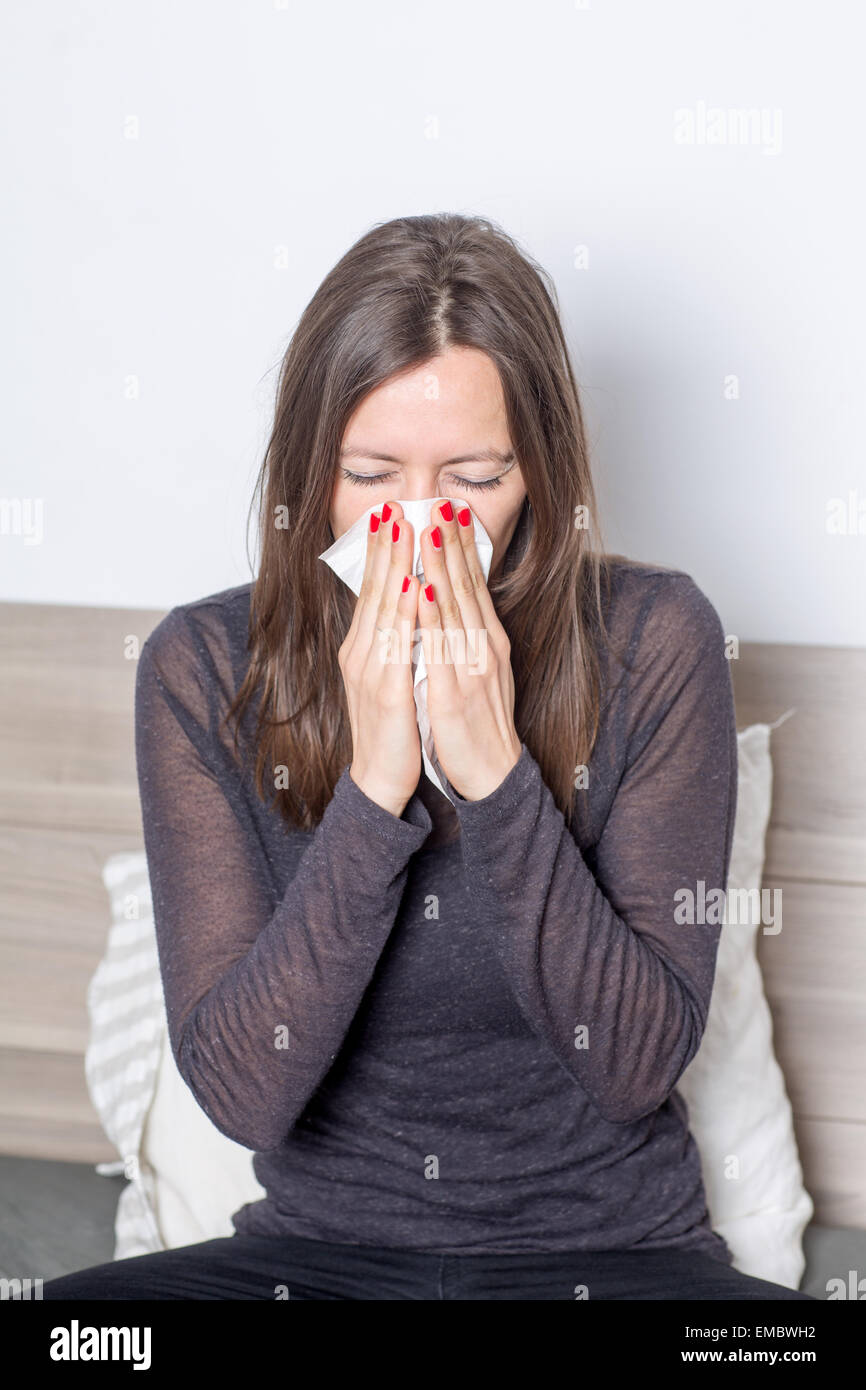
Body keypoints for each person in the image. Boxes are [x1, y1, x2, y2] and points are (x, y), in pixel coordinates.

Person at [43, 212, 814, 1301]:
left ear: (539, 475)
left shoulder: (655, 637)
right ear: (310, 474)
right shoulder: (203, 668)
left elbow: (635, 1063)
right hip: (313, 1264)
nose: (418, 531)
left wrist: (494, 771)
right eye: (369, 476)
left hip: (612, 1262)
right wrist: (374, 787)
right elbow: (242, 1094)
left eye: (471, 478)